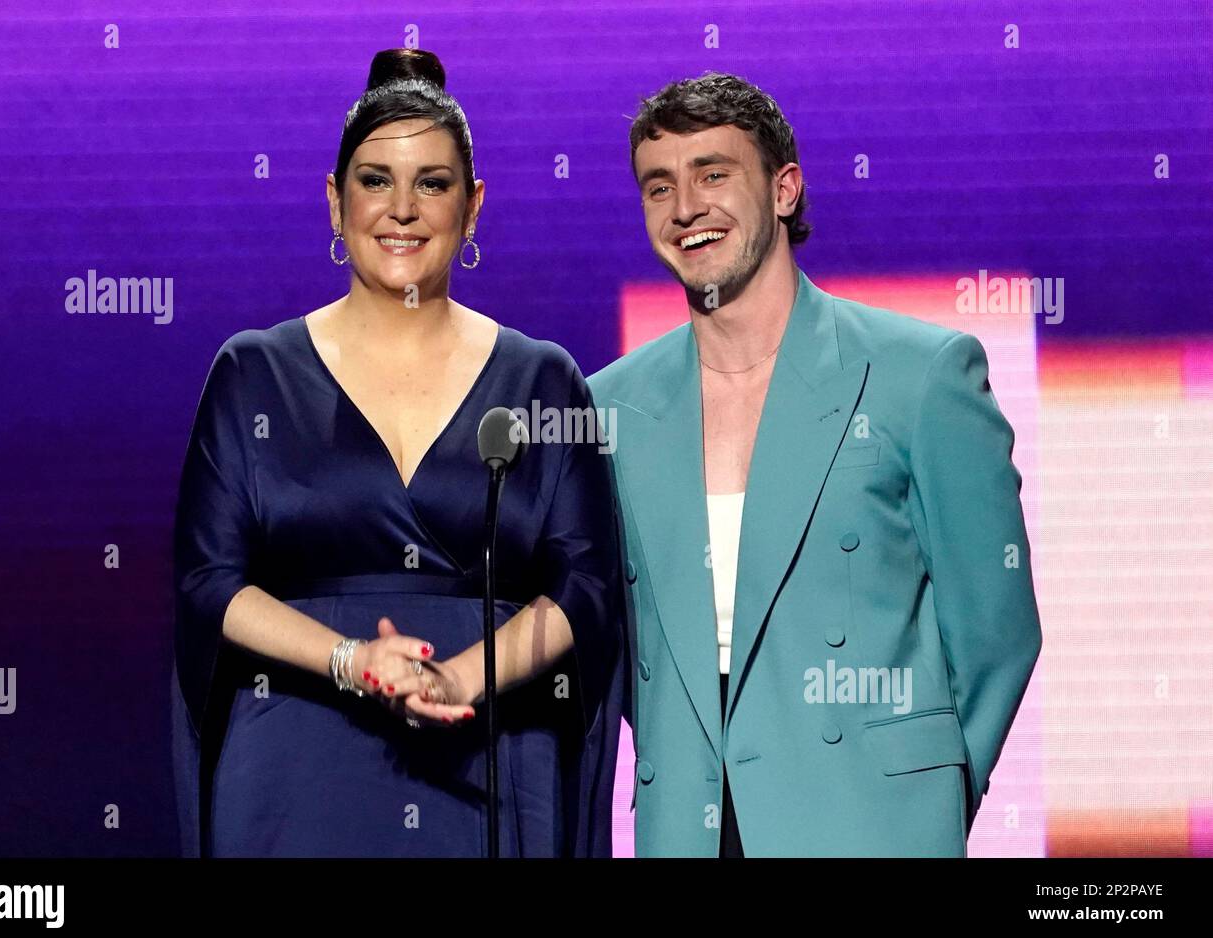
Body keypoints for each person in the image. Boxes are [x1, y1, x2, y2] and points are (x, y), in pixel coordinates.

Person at [170, 48, 624, 857]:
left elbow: (587, 587)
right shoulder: (252, 372)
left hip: (490, 764)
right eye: (376, 180)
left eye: (434, 183)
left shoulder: (545, 379)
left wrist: (461, 678)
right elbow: (209, 584)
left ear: (474, 206)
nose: (403, 209)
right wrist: (351, 661)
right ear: (335, 203)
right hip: (294, 767)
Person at [588, 72, 1042, 856]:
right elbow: (626, 652)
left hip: (866, 821)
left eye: (714, 174)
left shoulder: (918, 375)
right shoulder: (607, 408)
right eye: (659, 187)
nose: (686, 207)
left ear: (785, 188)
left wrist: (926, 794)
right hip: (688, 827)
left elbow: (996, 631)